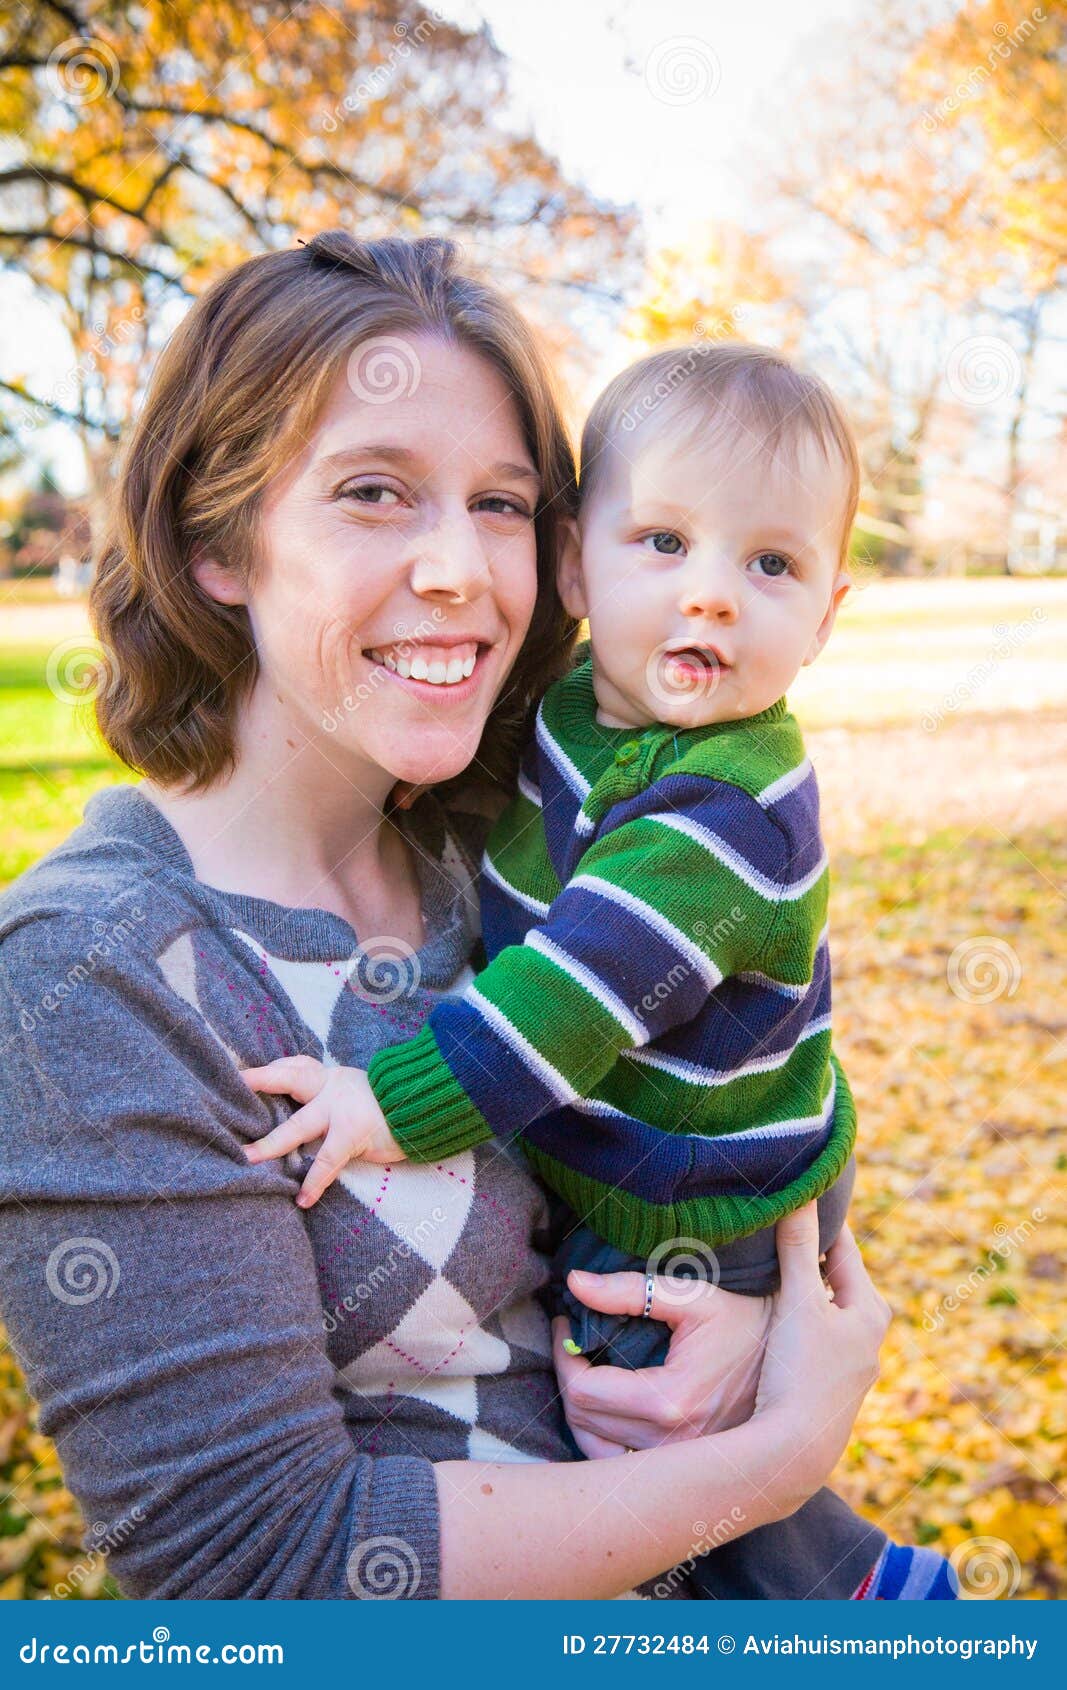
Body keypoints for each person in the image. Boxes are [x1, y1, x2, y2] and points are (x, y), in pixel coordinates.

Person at [0, 231, 904, 1601]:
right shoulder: (87, 979)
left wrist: (766, 1303)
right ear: (216, 543)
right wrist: (779, 1450)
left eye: (501, 503)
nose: (459, 571)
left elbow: (746, 1064)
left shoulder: (495, 844)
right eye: (375, 492)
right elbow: (261, 1570)